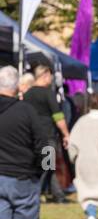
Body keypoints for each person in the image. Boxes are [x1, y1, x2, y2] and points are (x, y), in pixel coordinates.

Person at [0, 66, 42, 219]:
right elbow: (46, 143)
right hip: (23, 177)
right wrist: (46, 172)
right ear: (17, 88)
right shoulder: (27, 110)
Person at [24, 65, 69, 203]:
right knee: (46, 167)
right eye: (50, 76)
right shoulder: (48, 93)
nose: (51, 79)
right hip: (47, 136)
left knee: (48, 166)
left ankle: (58, 196)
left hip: (31, 136)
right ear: (44, 75)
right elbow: (58, 116)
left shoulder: (27, 94)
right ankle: (35, 195)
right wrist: (66, 134)